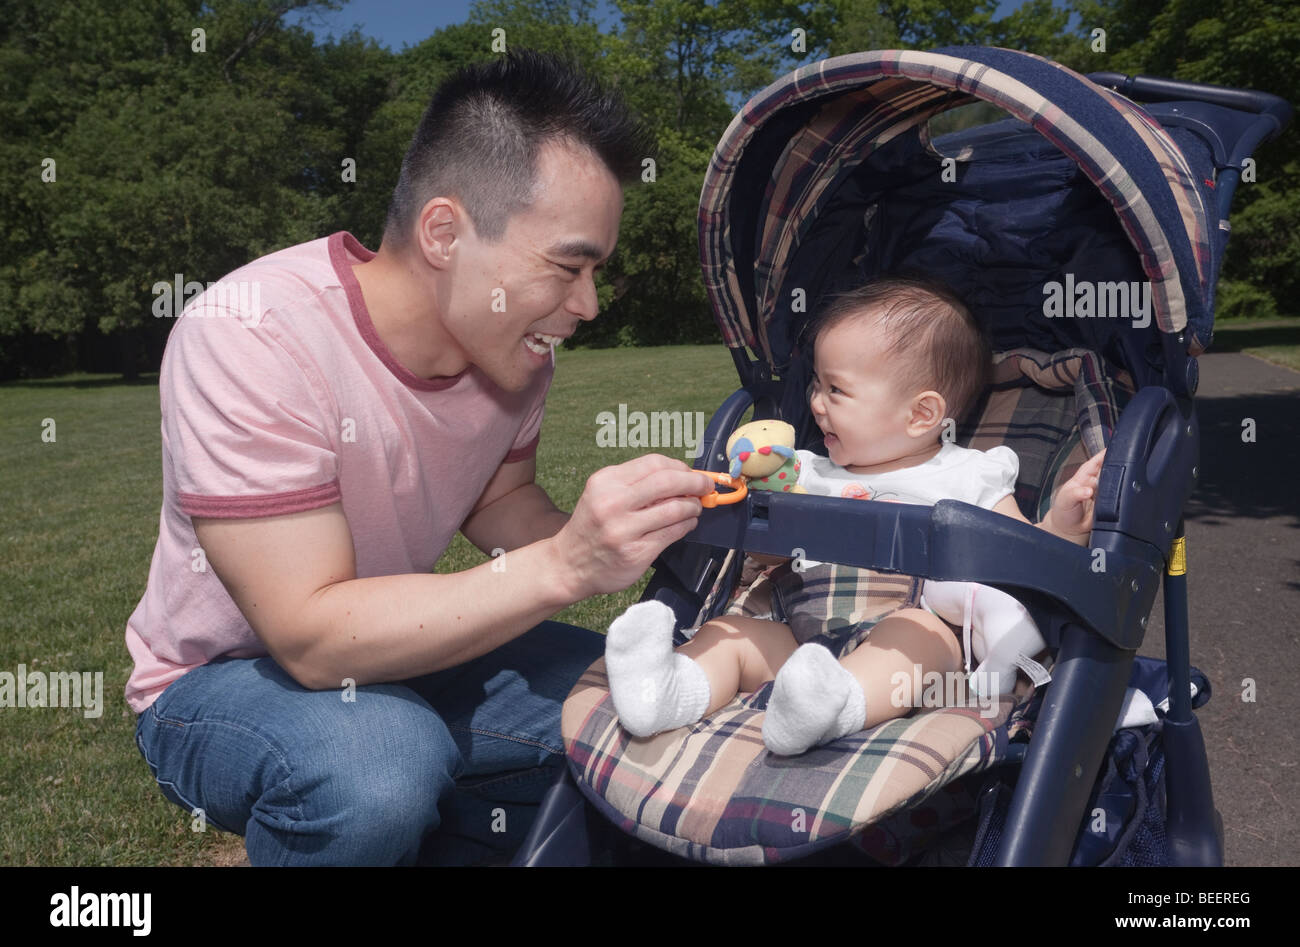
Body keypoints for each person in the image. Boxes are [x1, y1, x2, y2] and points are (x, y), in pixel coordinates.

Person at [125, 49, 715, 865]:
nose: (586, 305)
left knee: (667, 709)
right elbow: (310, 638)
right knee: (376, 766)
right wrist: (568, 566)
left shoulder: (517, 355)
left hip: (415, 651)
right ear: (445, 232)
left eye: (596, 273)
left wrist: (658, 532)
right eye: (567, 266)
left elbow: (499, 504)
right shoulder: (251, 331)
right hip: (227, 680)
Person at [604, 278, 1106, 755]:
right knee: (731, 637)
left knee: (923, 637)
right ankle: (667, 692)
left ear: (921, 415)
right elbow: (763, 556)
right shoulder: (806, 470)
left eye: (835, 390)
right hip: (794, 629)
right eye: (816, 384)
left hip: (898, 636)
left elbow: (1019, 556)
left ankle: (834, 705)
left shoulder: (968, 474)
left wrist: (1059, 527)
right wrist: (766, 504)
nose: (815, 403)